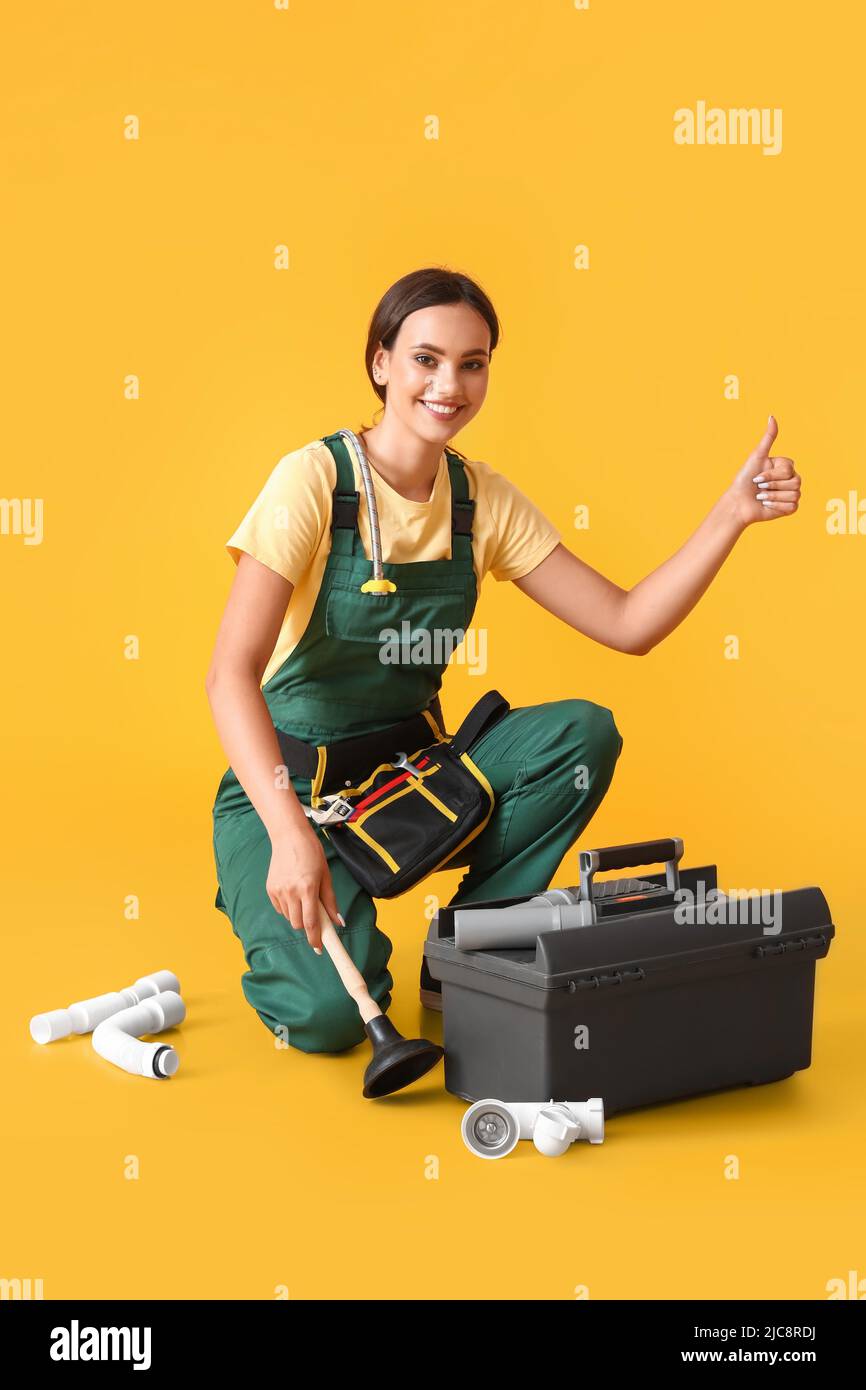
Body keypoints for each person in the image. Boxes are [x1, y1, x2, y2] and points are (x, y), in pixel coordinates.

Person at [205, 265, 801, 1054]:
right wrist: (286, 834)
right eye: (425, 358)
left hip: (408, 778)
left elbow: (628, 623)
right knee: (326, 1018)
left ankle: (462, 954)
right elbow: (229, 676)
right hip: (289, 793)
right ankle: (295, 900)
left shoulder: (482, 499)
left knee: (581, 736)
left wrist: (732, 515)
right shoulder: (313, 480)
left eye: (473, 362)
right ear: (381, 362)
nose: (449, 384)